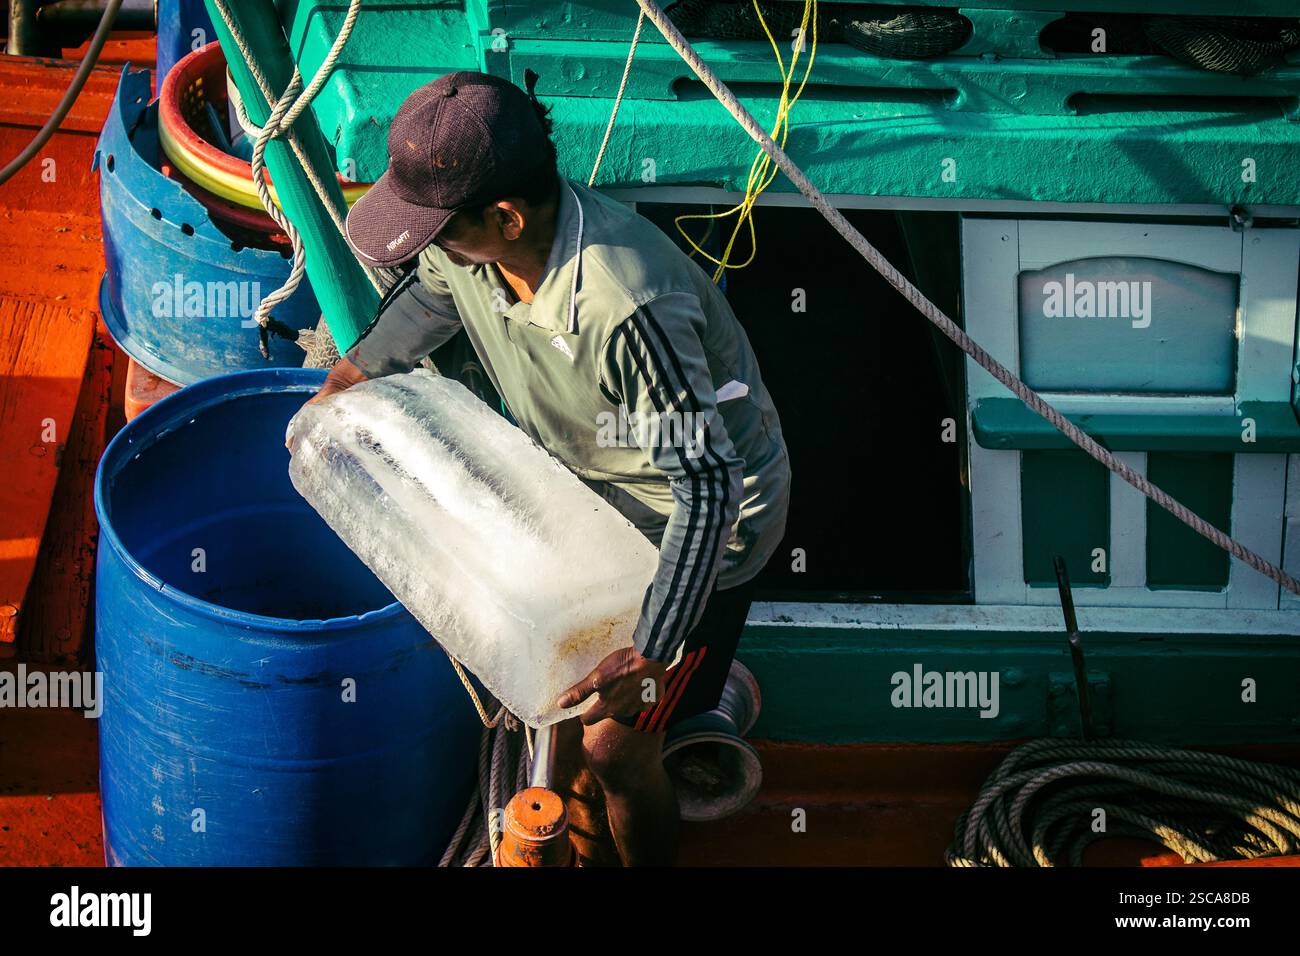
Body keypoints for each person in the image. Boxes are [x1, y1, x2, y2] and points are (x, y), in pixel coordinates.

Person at [309, 69, 791, 866]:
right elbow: (431, 298)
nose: (432, 251)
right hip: (588, 502)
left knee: (614, 751)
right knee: (557, 706)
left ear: (505, 216)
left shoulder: (623, 309)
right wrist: (352, 376)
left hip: (699, 536)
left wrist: (651, 646)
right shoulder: (474, 255)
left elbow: (708, 487)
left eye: (440, 231)